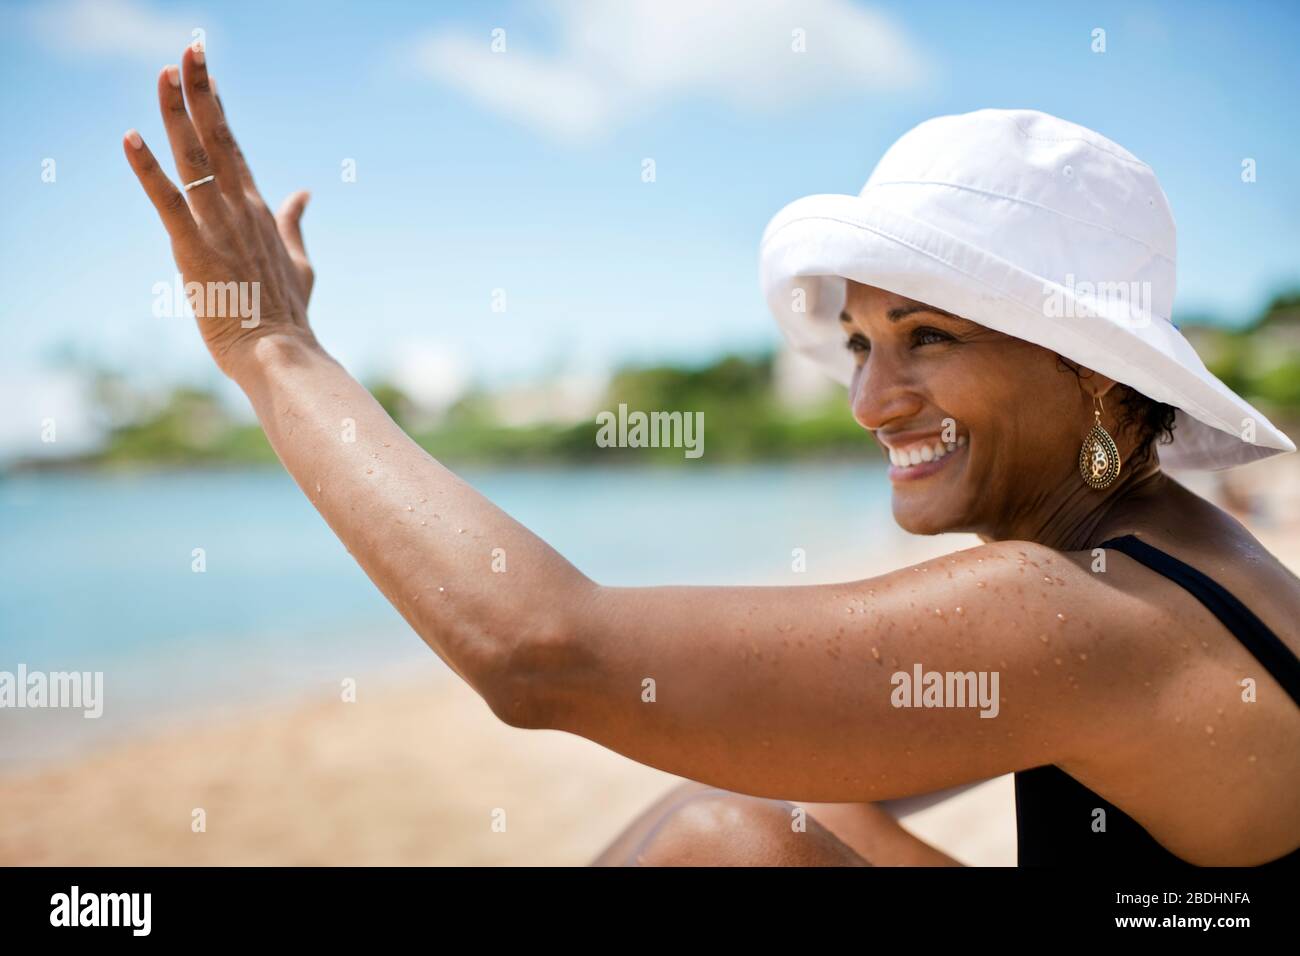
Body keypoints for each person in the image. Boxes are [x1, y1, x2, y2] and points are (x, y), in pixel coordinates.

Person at [122, 44, 1299, 866]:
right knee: (750, 804)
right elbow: (833, 750)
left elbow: (542, 653)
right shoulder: (1178, 551)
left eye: (926, 338)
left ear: (1093, 370)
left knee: (719, 844)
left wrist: (273, 350)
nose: (869, 399)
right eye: (857, 343)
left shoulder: (1080, 607)